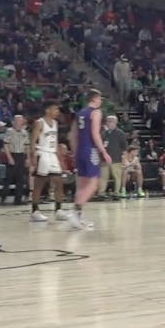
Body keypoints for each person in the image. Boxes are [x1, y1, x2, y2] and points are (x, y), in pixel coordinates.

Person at [68, 89, 110, 230]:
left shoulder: (79, 114)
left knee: (82, 185)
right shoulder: (96, 112)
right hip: (90, 150)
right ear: (95, 98)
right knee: (94, 183)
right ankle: (75, 212)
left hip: (80, 150)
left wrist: (75, 153)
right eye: (100, 99)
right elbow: (95, 134)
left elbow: (72, 136)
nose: (101, 101)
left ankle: (77, 216)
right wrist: (104, 152)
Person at [29, 101, 69, 222]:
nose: (57, 112)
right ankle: (35, 211)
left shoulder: (55, 123)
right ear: (47, 110)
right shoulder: (39, 123)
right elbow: (33, 141)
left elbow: (55, 142)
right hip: (42, 153)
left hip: (52, 154)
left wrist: (60, 159)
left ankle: (58, 210)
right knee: (39, 184)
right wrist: (33, 157)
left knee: (59, 182)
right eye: (55, 109)